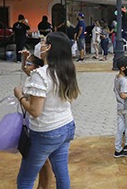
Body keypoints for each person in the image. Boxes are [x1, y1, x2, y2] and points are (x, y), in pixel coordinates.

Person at [14, 31, 79, 189]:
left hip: (46, 132)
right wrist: (26, 61)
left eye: (43, 42)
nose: (40, 45)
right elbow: (38, 81)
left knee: (25, 179)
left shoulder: (41, 74)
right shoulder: (66, 69)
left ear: (49, 47)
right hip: (66, 126)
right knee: (62, 173)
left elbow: (35, 111)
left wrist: (19, 96)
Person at [18, 50, 54, 189]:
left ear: (37, 67)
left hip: (40, 125)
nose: (26, 66)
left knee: (42, 161)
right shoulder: (33, 76)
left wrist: (20, 96)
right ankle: (42, 185)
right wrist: (24, 58)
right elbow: (24, 69)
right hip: (33, 123)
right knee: (43, 161)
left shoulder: (38, 78)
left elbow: (35, 110)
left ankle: (44, 185)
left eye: (29, 64)